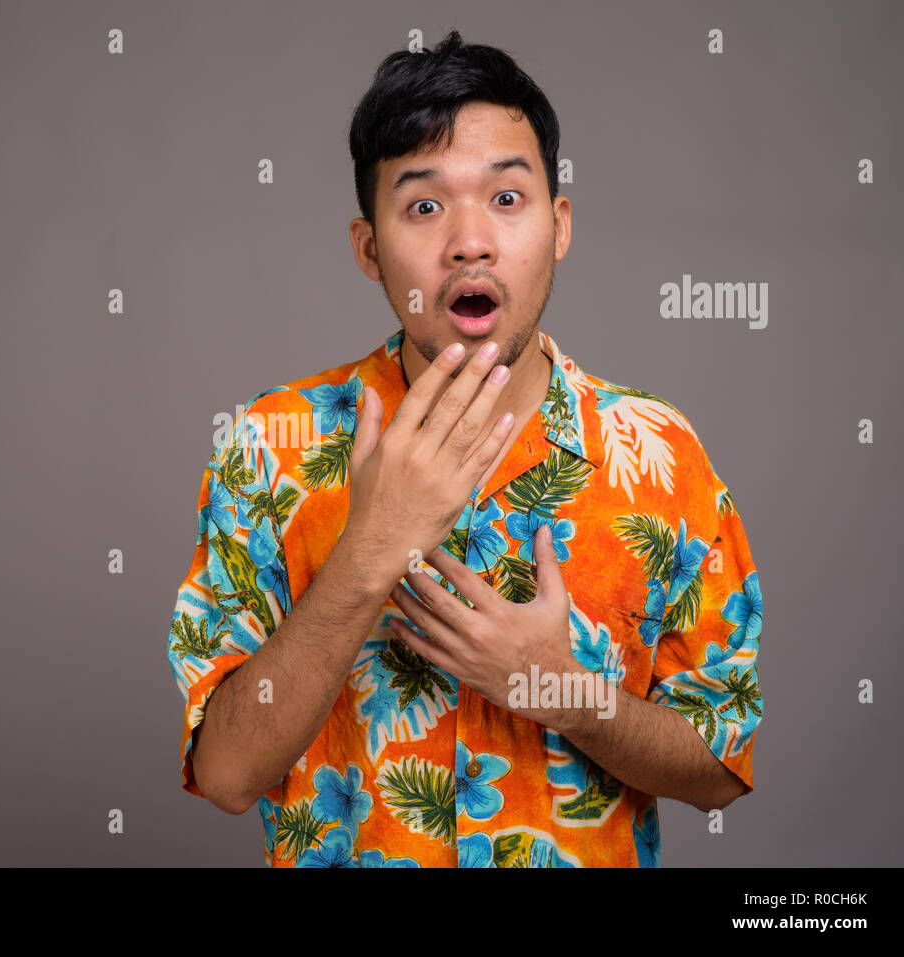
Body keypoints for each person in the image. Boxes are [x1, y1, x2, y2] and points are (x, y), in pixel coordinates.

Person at [166, 31, 763, 867]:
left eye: (507, 199)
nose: (469, 241)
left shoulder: (658, 452)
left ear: (559, 227)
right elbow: (226, 774)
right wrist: (367, 552)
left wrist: (556, 687)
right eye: (423, 204)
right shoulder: (271, 446)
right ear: (369, 248)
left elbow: (722, 768)